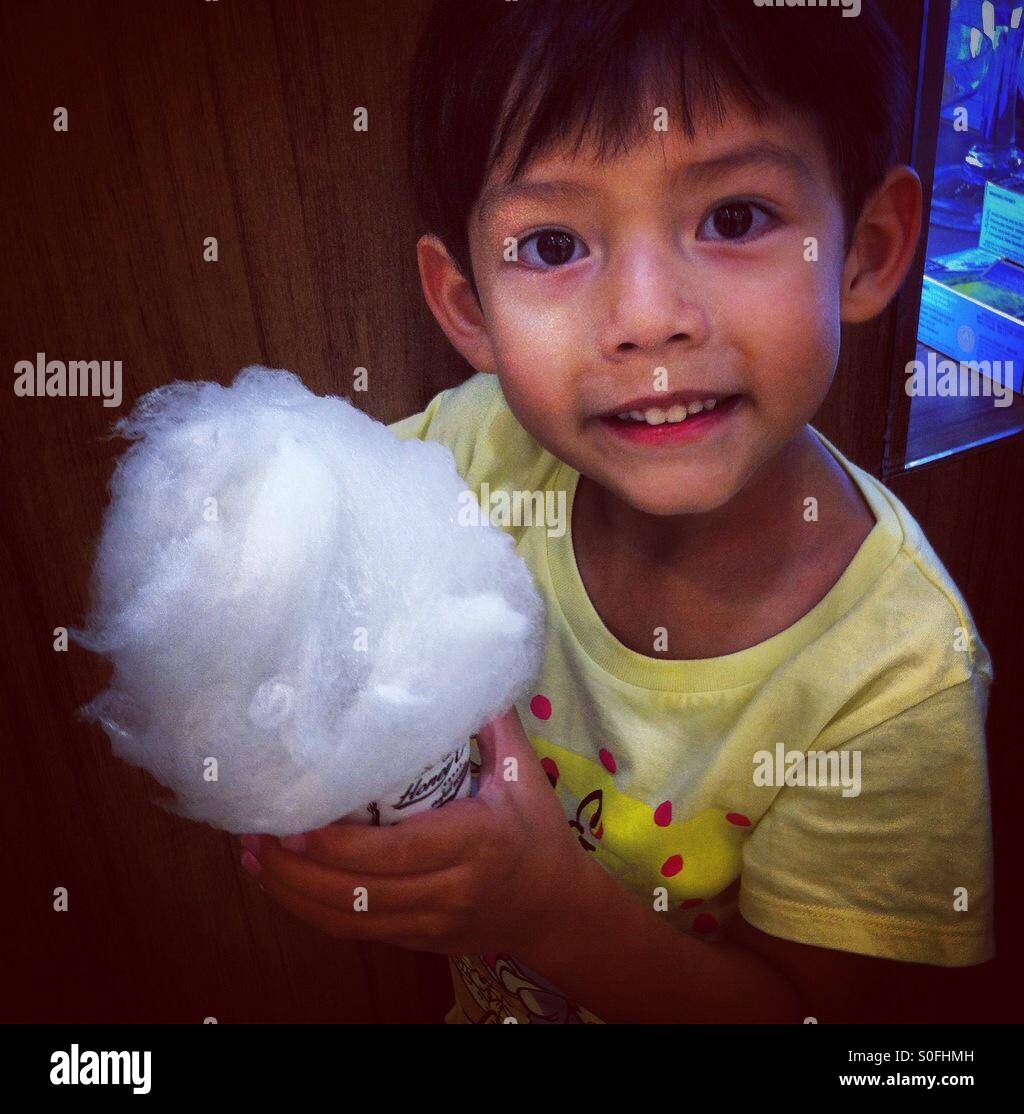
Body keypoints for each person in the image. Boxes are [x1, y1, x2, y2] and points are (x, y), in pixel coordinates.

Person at [239, 0, 994, 1023]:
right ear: (467, 308)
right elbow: (307, 551)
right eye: (552, 244)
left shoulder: (896, 678)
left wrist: (548, 913)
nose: (645, 319)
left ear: (863, 251)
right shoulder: (471, 453)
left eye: (733, 219)